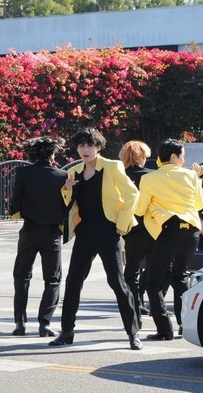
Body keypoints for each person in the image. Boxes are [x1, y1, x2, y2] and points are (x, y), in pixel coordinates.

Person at [49, 127, 142, 350]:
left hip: (109, 231)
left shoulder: (112, 166)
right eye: (81, 146)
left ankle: (133, 333)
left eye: (90, 145)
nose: (85, 150)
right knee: (73, 281)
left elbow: (132, 194)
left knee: (117, 282)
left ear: (98, 147)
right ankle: (67, 331)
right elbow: (69, 203)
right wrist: (67, 189)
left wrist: (122, 225)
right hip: (84, 232)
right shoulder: (75, 171)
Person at [134, 139, 203, 340]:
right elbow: (199, 204)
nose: (184, 159)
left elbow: (139, 209)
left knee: (153, 282)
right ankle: (185, 325)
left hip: (168, 230)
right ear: (174, 157)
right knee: (180, 276)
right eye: (183, 156)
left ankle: (165, 329)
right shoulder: (191, 175)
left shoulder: (149, 179)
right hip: (192, 231)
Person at [8, 135, 69, 337]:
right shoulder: (62, 175)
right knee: (52, 279)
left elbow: (15, 204)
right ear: (53, 153)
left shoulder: (23, 173)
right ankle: (45, 323)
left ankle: (20, 322)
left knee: (21, 276)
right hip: (52, 232)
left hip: (29, 230)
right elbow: (67, 206)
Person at [119, 139, 153, 324]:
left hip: (131, 228)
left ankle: (135, 311)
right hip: (153, 227)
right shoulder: (152, 176)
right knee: (158, 270)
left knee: (131, 272)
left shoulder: (120, 176)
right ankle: (158, 310)